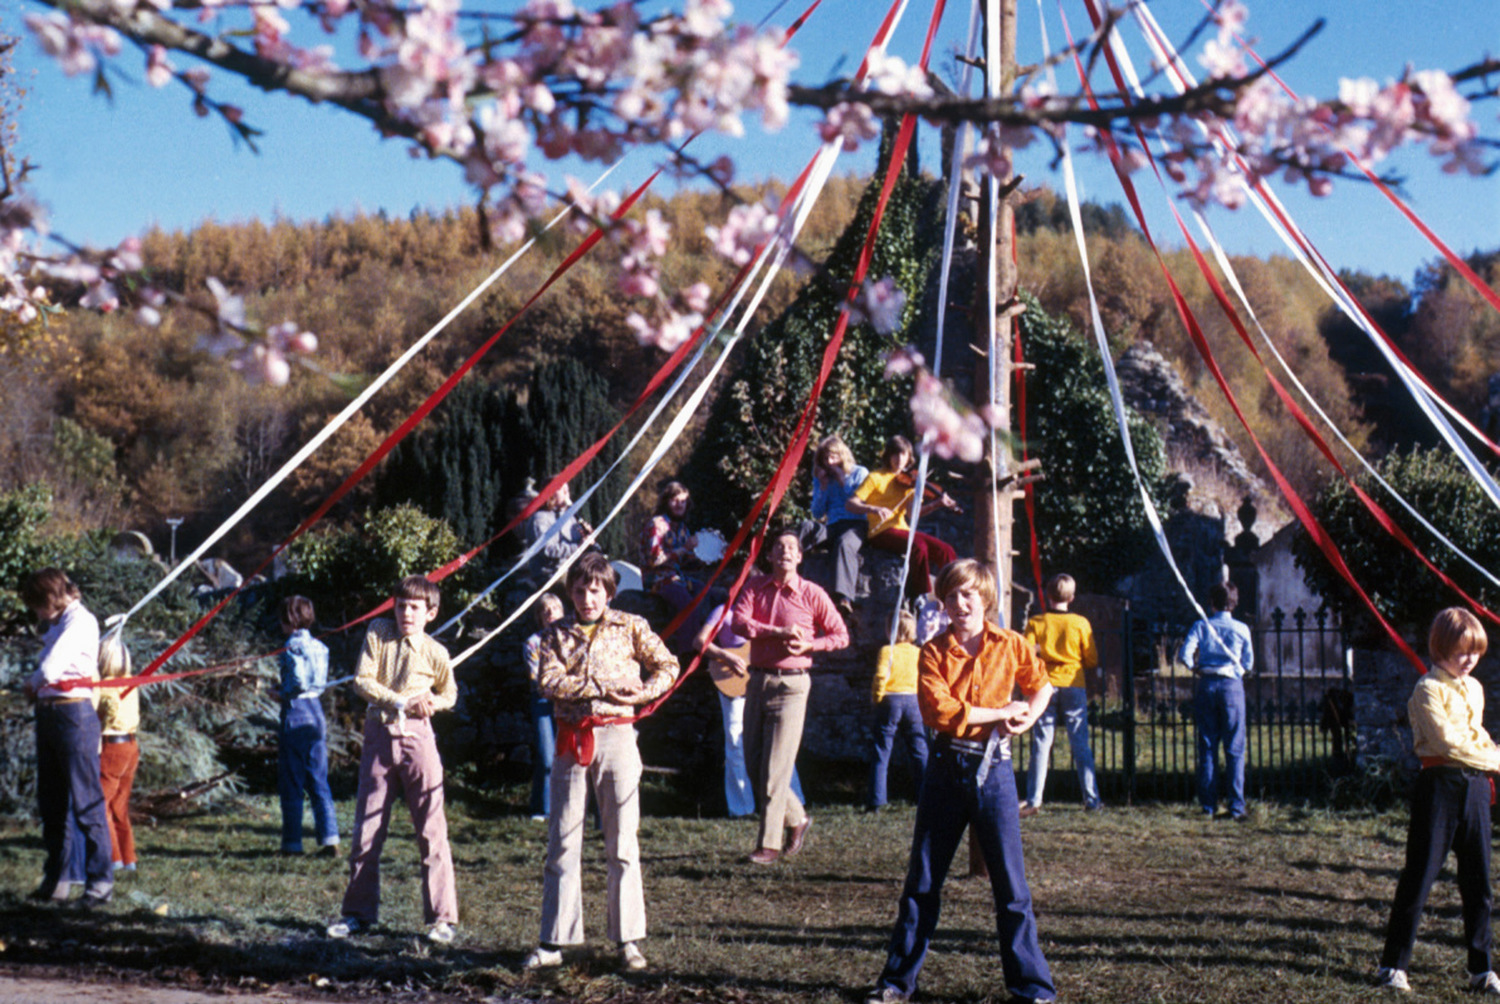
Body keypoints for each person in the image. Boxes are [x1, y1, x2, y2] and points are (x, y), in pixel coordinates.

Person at [864, 559, 1056, 1004]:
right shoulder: (932, 652)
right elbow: (941, 713)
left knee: (1011, 887)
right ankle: (895, 984)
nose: (960, 603)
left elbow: (1042, 686)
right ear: (943, 602)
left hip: (997, 774)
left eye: (969, 594)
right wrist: (1002, 712)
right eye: (952, 595)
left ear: (986, 599)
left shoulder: (1010, 644)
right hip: (946, 771)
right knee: (923, 882)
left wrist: (1026, 718)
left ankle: (1034, 989)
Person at [524, 553, 680, 973]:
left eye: (595, 590)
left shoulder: (631, 627)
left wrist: (643, 692)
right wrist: (607, 684)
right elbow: (549, 681)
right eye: (579, 590)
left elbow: (668, 665)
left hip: (618, 739)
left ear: (608, 592)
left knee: (623, 840)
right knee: (562, 839)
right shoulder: (555, 634)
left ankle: (628, 939)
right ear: (570, 592)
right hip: (571, 741)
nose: (587, 598)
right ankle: (554, 939)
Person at [327, 576, 458, 944]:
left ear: (430, 613)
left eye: (415, 607)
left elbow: (450, 692)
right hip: (380, 734)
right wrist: (401, 701)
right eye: (401, 605)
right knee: (368, 826)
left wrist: (433, 701)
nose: (406, 613)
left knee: (431, 829)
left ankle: (442, 919)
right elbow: (362, 681)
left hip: (419, 739)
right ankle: (357, 914)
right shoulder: (378, 632)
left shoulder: (436, 652)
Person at [1377, 608, 1500, 995]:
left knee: (1479, 880)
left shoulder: (1474, 688)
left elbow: (1476, 735)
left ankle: (1481, 969)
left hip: (1476, 788)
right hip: (1439, 786)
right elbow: (1450, 742)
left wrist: (1488, 758)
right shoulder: (1427, 689)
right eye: (1461, 652)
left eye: (1475, 652)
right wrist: (1497, 758)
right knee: (1420, 876)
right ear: (1441, 648)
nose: (1469, 660)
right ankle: (1393, 966)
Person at [731, 529, 849, 864]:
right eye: (778, 547)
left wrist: (812, 645)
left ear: (800, 557)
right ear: (769, 556)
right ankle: (797, 818)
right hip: (757, 682)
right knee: (754, 765)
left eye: (791, 548)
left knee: (775, 769)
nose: (785, 552)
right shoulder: (755, 588)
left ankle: (767, 845)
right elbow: (739, 622)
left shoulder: (812, 594)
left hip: (793, 686)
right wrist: (776, 632)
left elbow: (841, 635)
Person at [21, 568, 113, 908]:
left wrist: (33, 683)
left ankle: (100, 882)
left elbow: (53, 666)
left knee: (86, 801)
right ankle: (57, 879)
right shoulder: (59, 622)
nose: (37, 614)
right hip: (50, 714)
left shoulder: (81, 621)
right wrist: (35, 683)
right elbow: (46, 663)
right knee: (52, 801)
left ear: (50, 598)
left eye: (37, 606)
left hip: (73, 716)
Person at [1020, 573, 1102, 816]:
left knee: (1041, 742)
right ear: (1072, 597)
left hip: (1044, 684)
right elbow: (1091, 658)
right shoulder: (1080, 623)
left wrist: (1044, 652)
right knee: (1080, 743)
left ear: (1048, 594)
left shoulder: (1037, 622)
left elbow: (1027, 652)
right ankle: (1091, 798)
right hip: (1073, 682)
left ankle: (1034, 799)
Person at [1178, 581, 1254, 820]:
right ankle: (1236, 806)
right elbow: (1249, 663)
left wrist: (1197, 669)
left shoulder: (1202, 626)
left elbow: (1184, 654)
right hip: (1231, 686)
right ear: (1234, 603)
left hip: (1207, 684)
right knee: (1234, 748)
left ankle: (1208, 806)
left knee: (1208, 747)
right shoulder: (1242, 629)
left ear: (1211, 603)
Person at [852, 435, 957, 601]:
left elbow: (912, 514)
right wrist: (874, 508)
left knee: (946, 550)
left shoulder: (908, 481)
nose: (899, 459)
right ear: (888, 455)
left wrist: (937, 504)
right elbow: (851, 504)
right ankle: (919, 596)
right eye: (895, 454)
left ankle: (952, 591)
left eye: (904, 455)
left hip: (902, 530)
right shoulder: (875, 477)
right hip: (880, 531)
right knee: (918, 546)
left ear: (909, 457)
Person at [276, 595, 340, 856]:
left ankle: (292, 844)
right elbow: (317, 684)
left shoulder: (291, 646)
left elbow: (298, 682)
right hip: (316, 711)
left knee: (291, 780)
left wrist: (278, 692)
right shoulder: (319, 647)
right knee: (318, 779)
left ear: (289, 620)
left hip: (296, 712)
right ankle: (330, 839)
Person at [798, 434, 870, 618]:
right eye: (825, 459)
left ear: (842, 455)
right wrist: (822, 486)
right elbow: (816, 513)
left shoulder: (859, 472)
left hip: (856, 524)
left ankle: (844, 598)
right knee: (806, 527)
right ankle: (787, 565)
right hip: (832, 525)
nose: (830, 462)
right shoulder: (822, 479)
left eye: (833, 457)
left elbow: (860, 500)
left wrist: (842, 479)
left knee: (844, 544)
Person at [867, 609, 928, 812]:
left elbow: (880, 676)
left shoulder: (887, 651)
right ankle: (926, 794)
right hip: (913, 699)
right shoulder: (919, 652)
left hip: (891, 699)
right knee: (919, 748)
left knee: (882, 750)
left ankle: (877, 800)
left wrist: (877, 698)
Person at [640, 480, 709, 646]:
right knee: (686, 603)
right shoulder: (657, 525)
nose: (680, 505)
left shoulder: (683, 529)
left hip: (679, 578)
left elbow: (687, 561)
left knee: (705, 591)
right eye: (675, 500)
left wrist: (707, 556)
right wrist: (684, 549)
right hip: (658, 579)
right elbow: (654, 560)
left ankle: (705, 644)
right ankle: (687, 652)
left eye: (683, 501)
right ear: (666, 501)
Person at [96, 633, 140, 876]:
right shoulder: (131, 682)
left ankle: (112, 857)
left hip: (113, 746)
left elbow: (109, 709)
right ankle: (128, 857)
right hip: (131, 745)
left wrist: (100, 719)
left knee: (100, 804)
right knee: (120, 805)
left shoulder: (105, 687)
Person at [523, 593, 566, 821]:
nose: (551, 614)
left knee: (568, 755)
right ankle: (542, 807)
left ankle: (567, 805)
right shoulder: (533, 643)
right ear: (539, 617)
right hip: (543, 702)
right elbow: (536, 677)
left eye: (555, 609)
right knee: (546, 754)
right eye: (545, 611)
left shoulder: (571, 639)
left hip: (568, 703)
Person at [524, 481, 593, 588]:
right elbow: (546, 550)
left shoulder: (570, 516)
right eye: (562, 489)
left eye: (567, 490)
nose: (567, 493)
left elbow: (580, 544)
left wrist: (587, 538)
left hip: (572, 570)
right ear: (550, 494)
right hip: (551, 575)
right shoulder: (540, 518)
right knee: (581, 589)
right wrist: (578, 546)